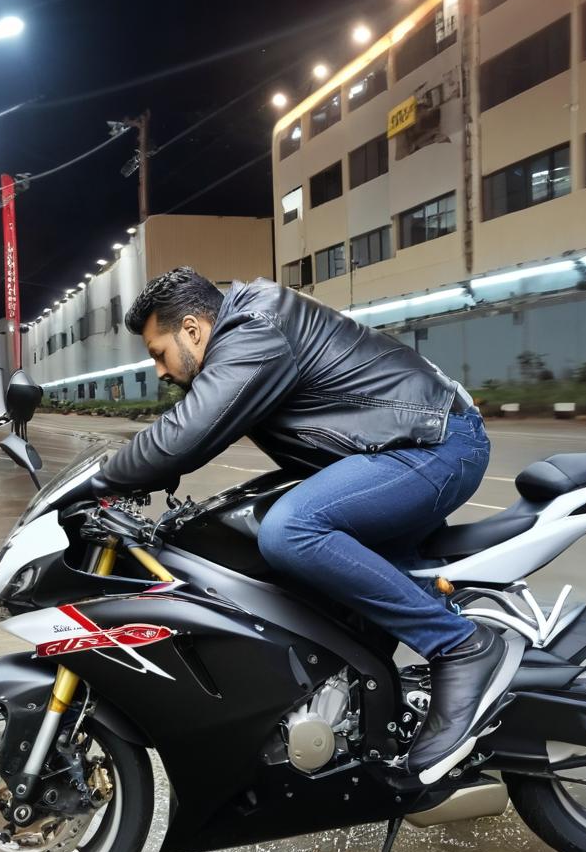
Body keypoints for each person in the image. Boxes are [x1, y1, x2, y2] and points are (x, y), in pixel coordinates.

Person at [91, 266, 506, 778]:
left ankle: (461, 647)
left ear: (194, 330)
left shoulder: (255, 331)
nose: (159, 369)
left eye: (159, 353)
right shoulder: (248, 327)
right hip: (395, 449)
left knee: (291, 530)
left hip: (435, 443)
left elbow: (189, 432)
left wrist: (100, 480)